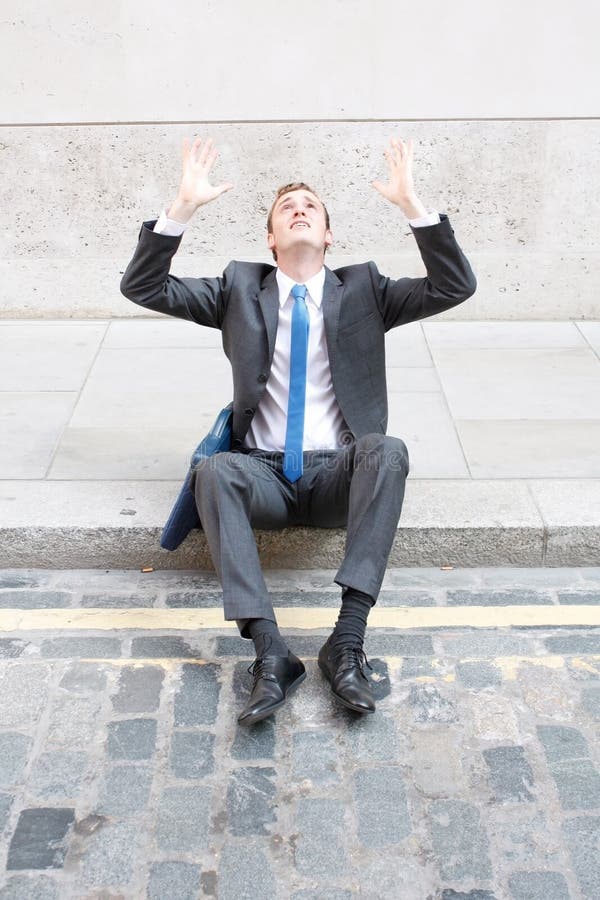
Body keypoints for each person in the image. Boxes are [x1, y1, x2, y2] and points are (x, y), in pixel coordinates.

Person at [120, 135, 476, 725]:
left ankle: (347, 640)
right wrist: (180, 211)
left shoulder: (366, 291)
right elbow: (144, 287)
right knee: (213, 470)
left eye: (311, 205)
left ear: (329, 235)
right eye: (287, 208)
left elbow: (453, 286)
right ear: (270, 238)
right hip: (262, 473)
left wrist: (414, 208)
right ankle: (271, 653)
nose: (300, 210)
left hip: (338, 474)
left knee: (387, 451)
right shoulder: (239, 288)